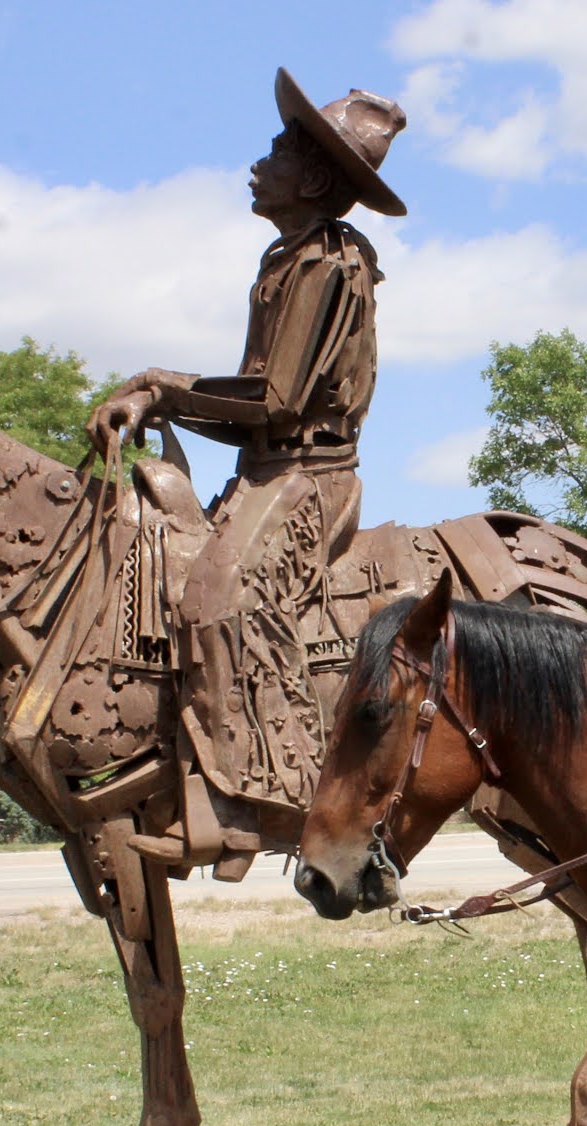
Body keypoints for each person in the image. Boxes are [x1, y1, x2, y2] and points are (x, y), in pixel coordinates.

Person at [88, 70, 406, 861]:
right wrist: (163, 399)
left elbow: (272, 399)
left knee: (219, 596)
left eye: (278, 151)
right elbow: (251, 408)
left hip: (309, 479)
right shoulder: (283, 259)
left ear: (316, 179)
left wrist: (160, 387)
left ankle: (278, 794)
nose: (259, 161)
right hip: (267, 473)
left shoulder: (329, 264)